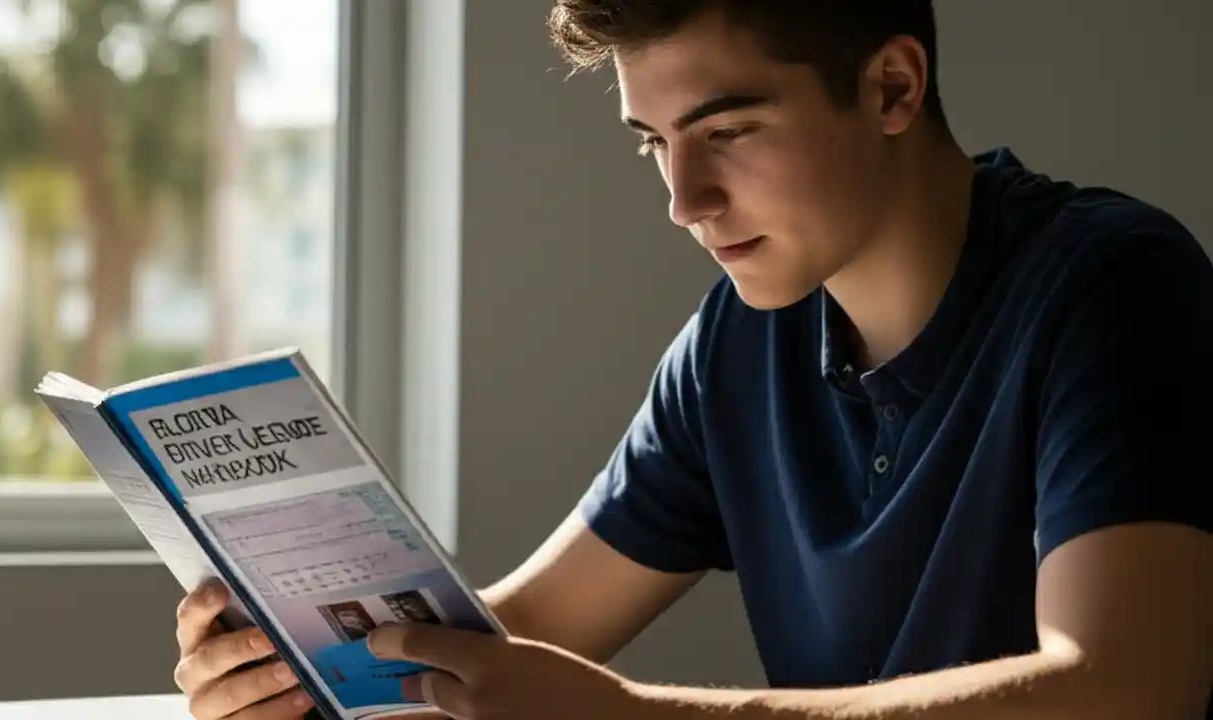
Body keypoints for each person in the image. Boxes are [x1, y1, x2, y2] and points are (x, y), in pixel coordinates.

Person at [171, 1, 1213, 718]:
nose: (684, 200)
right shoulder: (737, 342)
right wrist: (305, 676)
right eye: (652, 142)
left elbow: (1126, 687)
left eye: (730, 130)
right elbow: (519, 638)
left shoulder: (1111, 282)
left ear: (893, 87)